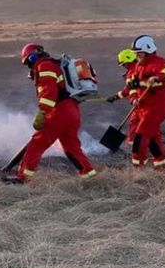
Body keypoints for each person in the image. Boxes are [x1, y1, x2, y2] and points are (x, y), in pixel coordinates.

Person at [6, 43, 97, 184]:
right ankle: (90, 177)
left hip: (59, 112)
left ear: (32, 57)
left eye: (28, 63)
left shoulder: (44, 66)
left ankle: (23, 179)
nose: (29, 68)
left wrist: (42, 112)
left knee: (36, 144)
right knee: (72, 148)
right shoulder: (54, 65)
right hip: (72, 110)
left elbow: (50, 93)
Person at [107, 36, 165, 169]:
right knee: (153, 142)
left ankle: (139, 172)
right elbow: (131, 89)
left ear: (148, 50)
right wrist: (133, 99)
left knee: (139, 139)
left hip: (155, 109)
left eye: (139, 53)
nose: (137, 56)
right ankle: (164, 168)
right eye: (135, 53)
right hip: (141, 109)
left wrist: (158, 77)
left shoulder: (158, 63)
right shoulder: (136, 69)